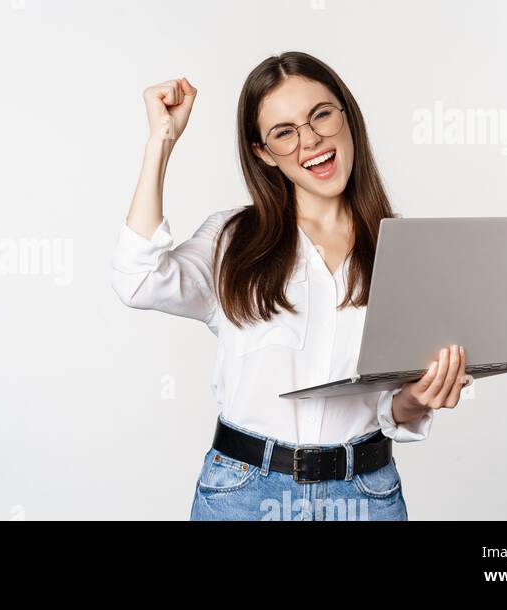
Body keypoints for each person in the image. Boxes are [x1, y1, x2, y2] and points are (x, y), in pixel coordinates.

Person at [111, 52, 472, 521]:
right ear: (264, 153)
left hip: (365, 495)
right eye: (284, 132)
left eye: (320, 115)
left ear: (347, 115)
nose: (311, 141)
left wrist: (418, 399)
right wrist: (161, 141)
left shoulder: (404, 251)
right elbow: (137, 279)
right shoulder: (231, 241)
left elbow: (390, 406)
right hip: (243, 495)